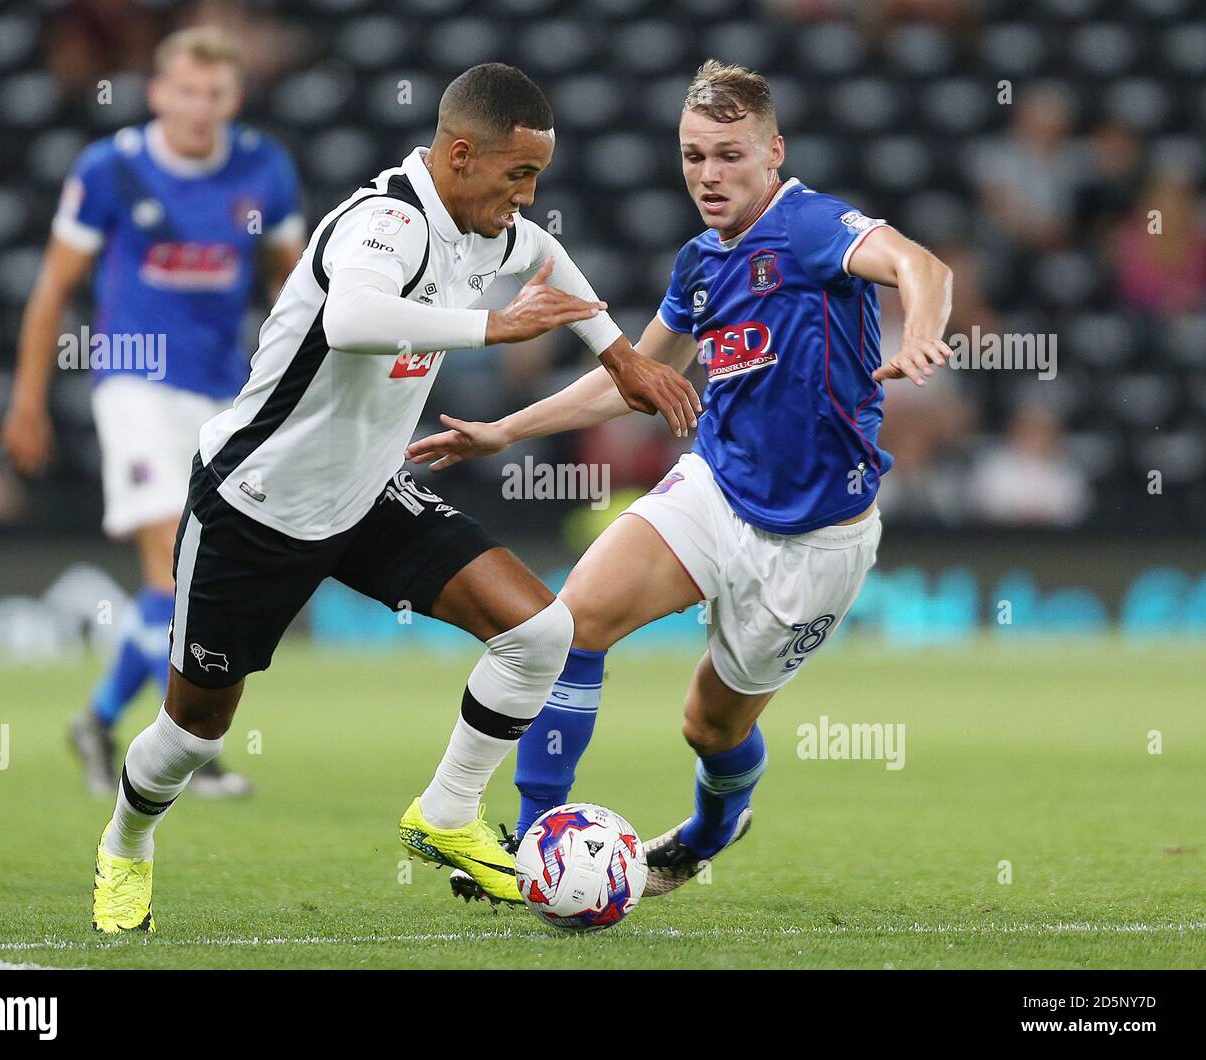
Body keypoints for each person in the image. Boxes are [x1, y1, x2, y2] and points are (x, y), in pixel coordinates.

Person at [87, 62, 699, 932]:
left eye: (537, 176)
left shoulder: (489, 228)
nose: (528, 196)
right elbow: (353, 322)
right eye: (517, 173)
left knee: (541, 634)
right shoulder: (384, 223)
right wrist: (495, 325)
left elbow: (548, 259)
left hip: (368, 496)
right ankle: (125, 844)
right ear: (458, 155)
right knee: (191, 738)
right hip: (257, 505)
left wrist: (619, 354)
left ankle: (445, 815)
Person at [406, 60, 954, 901]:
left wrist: (918, 334)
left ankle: (708, 830)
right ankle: (532, 846)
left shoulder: (811, 227)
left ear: (774, 152)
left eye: (729, 155)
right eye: (694, 156)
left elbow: (925, 267)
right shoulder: (701, 262)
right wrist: (506, 431)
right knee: (569, 624)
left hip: (816, 539)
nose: (708, 175)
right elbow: (630, 378)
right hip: (714, 487)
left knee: (710, 727)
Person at [0, 26, 305, 798]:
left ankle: (118, 727)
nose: (200, 107)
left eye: (216, 94)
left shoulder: (262, 168)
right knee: (172, 569)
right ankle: (167, 745)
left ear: (235, 99)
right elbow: (51, 291)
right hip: (133, 384)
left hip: (224, 393)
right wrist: (28, 399)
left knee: (200, 583)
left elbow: (295, 289)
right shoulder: (112, 169)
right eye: (187, 91)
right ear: (159, 92)